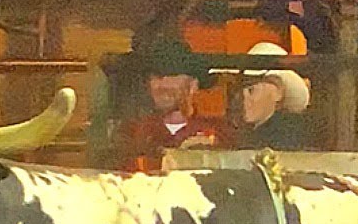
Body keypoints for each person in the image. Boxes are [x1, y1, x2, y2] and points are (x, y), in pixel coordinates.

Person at [112, 36, 234, 173]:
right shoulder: (131, 135)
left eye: (172, 74)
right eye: (157, 76)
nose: (163, 84)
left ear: (193, 85)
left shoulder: (219, 135)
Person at [234, 42, 313, 151]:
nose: (243, 99)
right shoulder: (249, 134)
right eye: (240, 92)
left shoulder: (284, 135)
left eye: (251, 90)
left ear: (278, 92)